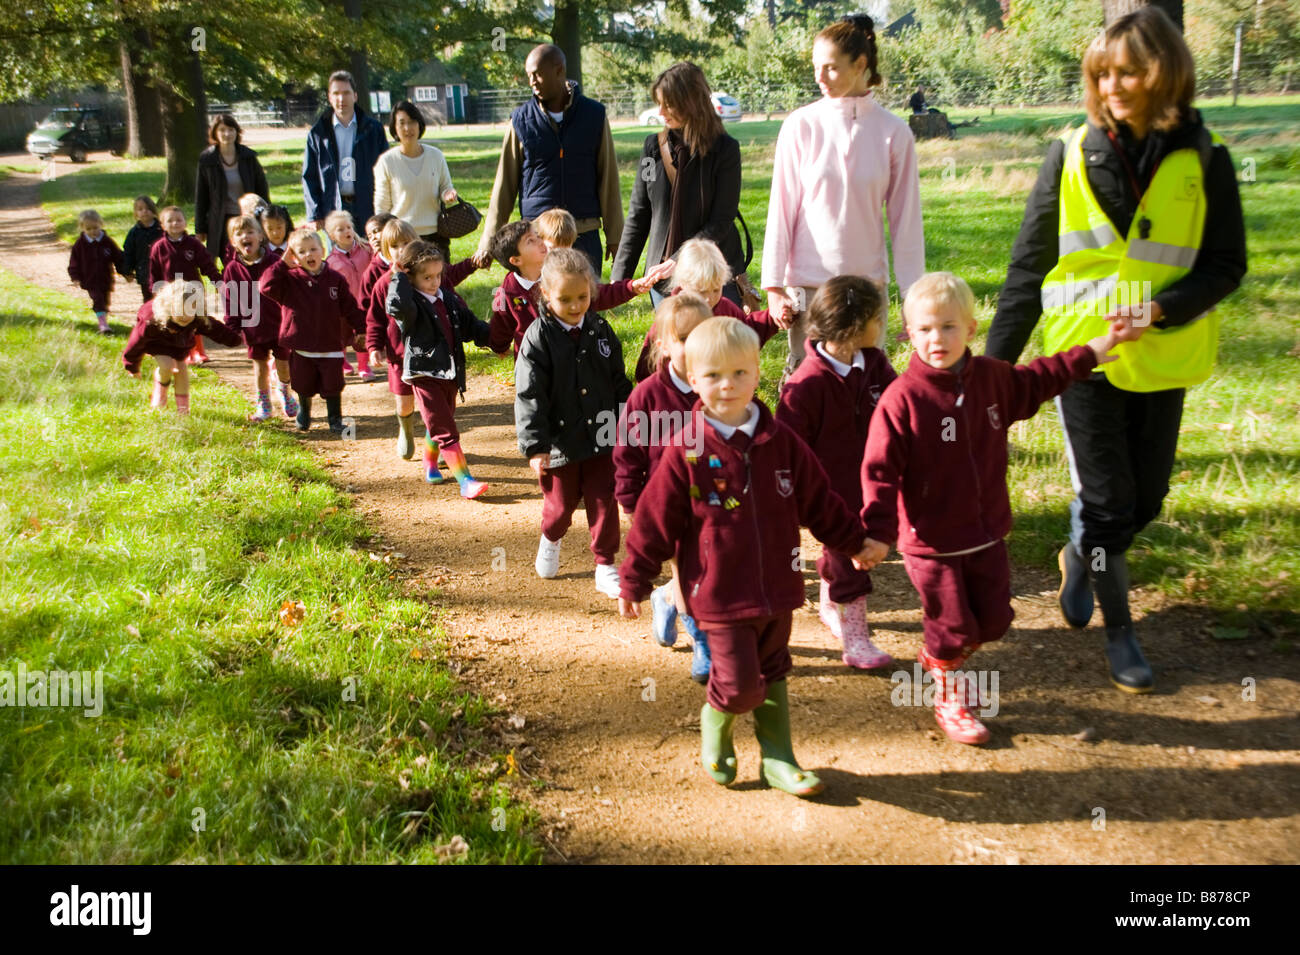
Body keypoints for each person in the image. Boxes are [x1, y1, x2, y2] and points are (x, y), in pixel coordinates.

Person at [987, 7, 1247, 694]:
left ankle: (1083, 554)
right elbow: (1027, 267)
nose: (1114, 86)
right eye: (1103, 74)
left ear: (1167, 73)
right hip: (1084, 357)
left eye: (1129, 71)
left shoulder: (1208, 158)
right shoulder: (1069, 154)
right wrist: (990, 370)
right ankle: (1121, 629)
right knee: (1107, 504)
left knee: (1144, 501)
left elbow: (1227, 264)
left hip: (1164, 356)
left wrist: (1162, 307)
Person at [860, 273, 1134, 744]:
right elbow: (880, 472)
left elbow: (1040, 379)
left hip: (986, 532)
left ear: (970, 328)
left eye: (948, 327)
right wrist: (877, 533)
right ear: (908, 333)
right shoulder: (901, 401)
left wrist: (1092, 350)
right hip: (932, 543)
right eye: (924, 329)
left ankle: (939, 657)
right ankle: (948, 693)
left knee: (992, 622)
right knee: (952, 626)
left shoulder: (991, 379)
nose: (936, 338)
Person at [618, 317, 876, 796]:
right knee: (738, 685)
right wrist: (634, 577)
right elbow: (654, 522)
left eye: (740, 373)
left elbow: (821, 500)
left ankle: (779, 757)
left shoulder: (782, 442)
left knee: (775, 669)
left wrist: (855, 541)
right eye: (713, 375)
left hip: (778, 589)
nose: (728, 385)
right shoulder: (686, 451)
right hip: (716, 595)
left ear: (758, 373)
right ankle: (717, 720)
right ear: (693, 379)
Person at [762, 15, 925, 379]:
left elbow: (906, 224)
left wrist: (914, 299)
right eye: (816, 67)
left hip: (867, 285)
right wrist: (774, 286)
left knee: (867, 384)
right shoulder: (800, 125)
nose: (820, 77)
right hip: (808, 284)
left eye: (832, 68)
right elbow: (781, 207)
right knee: (808, 385)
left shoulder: (894, 133)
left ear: (860, 65)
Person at [777, 275, 896, 670]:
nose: (882, 324)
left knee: (845, 557)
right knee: (851, 557)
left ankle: (832, 603)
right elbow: (787, 450)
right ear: (853, 328)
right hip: (830, 496)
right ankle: (855, 637)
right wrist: (799, 500)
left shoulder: (875, 365)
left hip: (873, 485)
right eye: (876, 318)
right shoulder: (805, 386)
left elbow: (897, 408)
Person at [514, 248, 634, 598]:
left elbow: (617, 381)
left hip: (602, 436)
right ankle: (550, 539)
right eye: (565, 299)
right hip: (560, 443)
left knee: (603, 500)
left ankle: (606, 565)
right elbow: (529, 393)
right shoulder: (538, 337)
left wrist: (629, 416)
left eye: (582, 297)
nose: (575, 305)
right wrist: (536, 446)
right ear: (546, 295)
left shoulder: (599, 328)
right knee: (560, 508)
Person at [612, 293, 715, 682]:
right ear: (664, 344)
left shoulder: (718, 386)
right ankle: (702, 637)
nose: (696, 344)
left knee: (707, 569)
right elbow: (628, 451)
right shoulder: (648, 396)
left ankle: (667, 597)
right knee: (691, 568)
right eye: (685, 337)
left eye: (704, 334)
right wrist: (628, 498)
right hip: (666, 505)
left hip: (716, 499)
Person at [473, 44, 623, 275]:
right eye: (529, 76)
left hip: (584, 234)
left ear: (559, 70)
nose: (532, 81)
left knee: (585, 304)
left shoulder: (594, 115)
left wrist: (616, 236)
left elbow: (608, 180)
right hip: (537, 235)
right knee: (541, 306)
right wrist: (488, 241)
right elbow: (504, 186)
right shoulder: (520, 120)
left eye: (537, 74)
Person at [611, 62, 746, 309]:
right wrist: (618, 282)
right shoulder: (652, 148)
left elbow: (721, 221)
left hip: (713, 274)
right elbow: (638, 215)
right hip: (663, 279)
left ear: (692, 102)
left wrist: (680, 259)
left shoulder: (725, 150)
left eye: (669, 103)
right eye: (659, 102)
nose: (661, 111)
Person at [384, 240, 493, 499]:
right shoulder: (411, 306)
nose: (434, 282)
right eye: (427, 277)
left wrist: (495, 339)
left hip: (450, 372)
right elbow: (397, 305)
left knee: (441, 420)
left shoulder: (448, 299)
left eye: (438, 275)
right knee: (444, 427)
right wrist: (398, 277)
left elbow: (470, 325)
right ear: (411, 278)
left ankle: (430, 462)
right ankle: (465, 480)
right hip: (424, 374)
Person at [487, 218, 671, 359]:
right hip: (532, 360)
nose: (540, 241)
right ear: (516, 260)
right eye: (530, 241)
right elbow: (501, 323)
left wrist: (631, 287)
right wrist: (499, 346)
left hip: (572, 355)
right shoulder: (507, 291)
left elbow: (597, 295)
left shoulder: (561, 271)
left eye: (538, 236)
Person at [258, 229, 366, 434]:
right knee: (302, 384)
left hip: (330, 343)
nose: (309, 255)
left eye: (313, 249)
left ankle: (335, 419)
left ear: (323, 250)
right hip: (302, 345)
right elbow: (265, 287)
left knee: (333, 384)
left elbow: (350, 307)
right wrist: (282, 264)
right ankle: (304, 412)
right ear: (294, 256)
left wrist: (361, 329)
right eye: (302, 251)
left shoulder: (335, 279)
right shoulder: (289, 280)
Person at [631, 237, 780, 381]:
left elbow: (746, 332)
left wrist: (773, 316)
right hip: (681, 396)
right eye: (701, 291)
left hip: (720, 391)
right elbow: (647, 367)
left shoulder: (725, 308)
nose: (709, 298)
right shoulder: (671, 316)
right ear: (683, 283)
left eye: (716, 289)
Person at [122, 280, 242, 414]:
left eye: (190, 311)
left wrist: (237, 340)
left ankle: (183, 410)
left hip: (181, 343)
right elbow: (135, 342)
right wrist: (131, 366)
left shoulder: (197, 318)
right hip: (158, 342)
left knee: (181, 369)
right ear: (169, 307)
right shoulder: (151, 320)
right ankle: (159, 398)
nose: (185, 316)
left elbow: (217, 330)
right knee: (167, 365)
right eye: (180, 311)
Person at [220, 214, 296, 422]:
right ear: (234, 242)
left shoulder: (274, 262)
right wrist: (233, 324)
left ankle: (285, 391)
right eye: (239, 234)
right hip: (252, 326)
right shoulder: (232, 269)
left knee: (283, 362)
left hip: (278, 324)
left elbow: (289, 288)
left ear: (261, 236)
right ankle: (264, 404)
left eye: (250, 232)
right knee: (260, 365)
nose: (246, 236)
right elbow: (230, 298)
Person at [302, 70, 387, 234]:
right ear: (329, 97)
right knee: (337, 258)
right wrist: (314, 213)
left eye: (346, 93)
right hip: (334, 207)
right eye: (336, 93)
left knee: (370, 255)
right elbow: (309, 176)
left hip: (367, 206)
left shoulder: (373, 130)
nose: (341, 99)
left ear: (355, 96)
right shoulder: (318, 134)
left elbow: (386, 171)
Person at [372, 100, 458, 260]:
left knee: (439, 283)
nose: (407, 128)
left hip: (436, 235)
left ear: (419, 124)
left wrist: (448, 194)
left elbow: (445, 187)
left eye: (412, 122)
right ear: (394, 128)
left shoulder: (436, 156)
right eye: (402, 123)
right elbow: (381, 206)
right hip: (402, 238)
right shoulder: (386, 161)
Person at [148, 206, 221, 364]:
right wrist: (155, 291)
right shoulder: (159, 247)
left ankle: (198, 352)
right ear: (163, 225)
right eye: (170, 220)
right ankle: (181, 352)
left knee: (196, 321)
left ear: (185, 222)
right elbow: (154, 271)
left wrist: (217, 281)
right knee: (175, 322)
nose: (175, 223)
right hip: (170, 294)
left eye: (179, 220)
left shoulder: (193, 244)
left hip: (192, 290)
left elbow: (207, 264)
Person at [195, 113, 269, 267]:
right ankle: (230, 291)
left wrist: (266, 217)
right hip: (221, 221)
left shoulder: (248, 157)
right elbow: (201, 196)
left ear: (237, 132)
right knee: (229, 262)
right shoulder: (207, 160)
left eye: (230, 129)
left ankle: (249, 291)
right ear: (215, 132)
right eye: (222, 130)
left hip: (248, 218)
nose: (227, 134)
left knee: (250, 260)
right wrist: (200, 227)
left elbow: (262, 189)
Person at [324, 210, 374, 381]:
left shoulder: (366, 250)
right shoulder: (331, 260)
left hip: (365, 301)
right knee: (342, 335)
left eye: (349, 227)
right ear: (332, 235)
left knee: (362, 334)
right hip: (343, 305)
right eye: (340, 229)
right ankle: (343, 362)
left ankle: (363, 365)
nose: (346, 231)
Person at [67, 209, 123, 334]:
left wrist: (125, 271)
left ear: (100, 224)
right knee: (98, 299)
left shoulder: (107, 242)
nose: (93, 231)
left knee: (105, 300)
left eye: (95, 228)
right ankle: (103, 324)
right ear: (82, 228)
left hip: (105, 278)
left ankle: (103, 318)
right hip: (89, 279)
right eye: (89, 229)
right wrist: (75, 277)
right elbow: (74, 262)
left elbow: (118, 257)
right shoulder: (80, 244)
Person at [119, 196, 163, 303]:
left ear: (153, 211)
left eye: (148, 208)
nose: (144, 212)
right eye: (140, 209)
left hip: (162, 271)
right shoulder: (134, 233)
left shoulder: (162, 229)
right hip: (144, 272)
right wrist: (127, 270)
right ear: (136, 213)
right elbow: (129, 252)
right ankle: (148, 318)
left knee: (162, 298)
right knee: (148, 299)